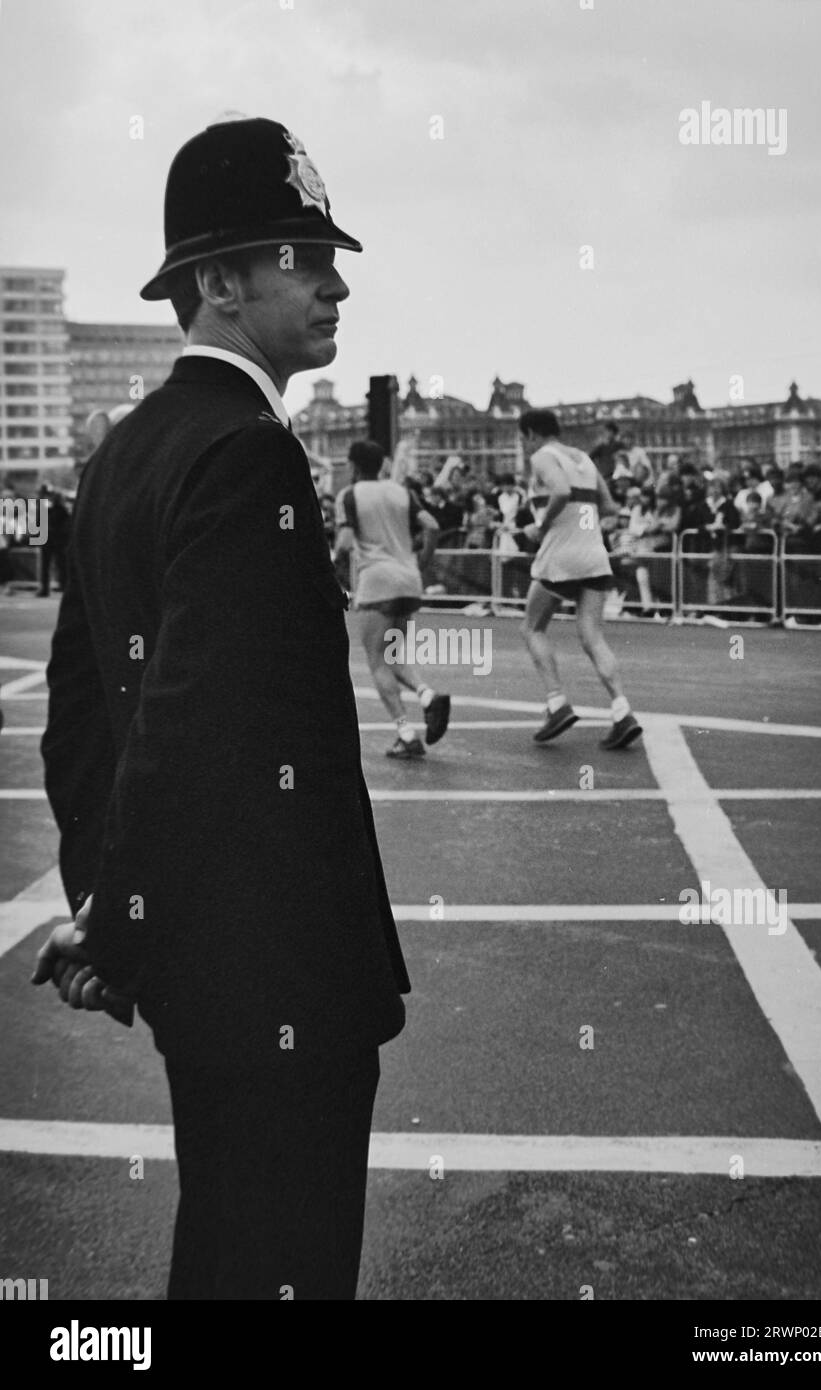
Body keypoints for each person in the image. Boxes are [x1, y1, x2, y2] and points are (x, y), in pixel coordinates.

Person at [33, 115, 410, 1300]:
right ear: (220, 283)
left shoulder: (128, 454)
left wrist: (111, 902)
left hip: (200, 966)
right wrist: (119, 926)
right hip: (281, 960)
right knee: (282, 1258)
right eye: (302, 256)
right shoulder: (248, 454)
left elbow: (81, 713)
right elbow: (204, 728)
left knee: (230, 1242)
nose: (336, 280)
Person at [518, 409, 641, 749]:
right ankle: (621, 710)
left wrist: (539, 526)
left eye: (523, 438)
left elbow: (559, 491)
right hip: (594, 555)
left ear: (530, 433)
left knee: (532, 627)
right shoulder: (584, 458)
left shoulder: (543, 456)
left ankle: (557, 702)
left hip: (560, 556)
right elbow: (610, 506)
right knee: (592, 637)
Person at [334, 439, 450, 758]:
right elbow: (432, 526)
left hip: (376, 582)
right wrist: (423, 560)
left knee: (377, 660)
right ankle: (426, 695)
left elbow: (344, 543)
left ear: (354, 466)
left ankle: (405, 731)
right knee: (394, 655)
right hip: (408, 579)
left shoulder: (349, 496)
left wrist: (329, 571)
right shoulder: (400, 491)